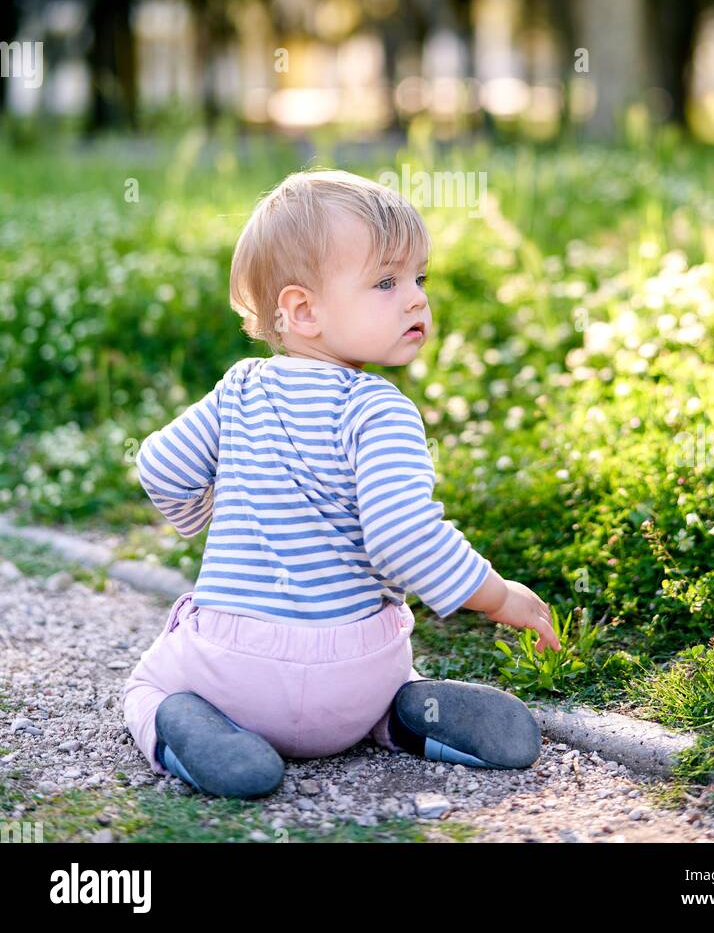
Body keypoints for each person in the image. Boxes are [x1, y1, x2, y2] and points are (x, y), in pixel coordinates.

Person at [121, 168, 560, 798]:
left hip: (235, 671)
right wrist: (498, 596)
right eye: (386, 282)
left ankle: (186, 725)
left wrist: (218, 509)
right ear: (302, 310)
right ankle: (396, 717)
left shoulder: (239, 389)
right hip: (358, 676)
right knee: (373, 675)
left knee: (149, 683)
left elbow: (160, 468)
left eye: (419, 278)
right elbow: (404, 539)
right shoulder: (380, 409)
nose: (415, 299)